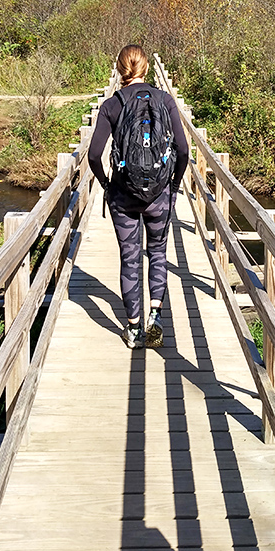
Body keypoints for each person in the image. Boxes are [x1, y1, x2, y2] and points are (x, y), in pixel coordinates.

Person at [88, 45, 189, 349]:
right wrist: (173, 184)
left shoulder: (112, 105)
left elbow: (94, 154)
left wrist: (106, 184)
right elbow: (183, 150)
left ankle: (133, 329)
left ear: (120, 69)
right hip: (159, 194)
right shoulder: (165, 100)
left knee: (130, 259)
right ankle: (156, 316)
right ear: (146, 69)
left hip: (123, 195)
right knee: (157, 253)